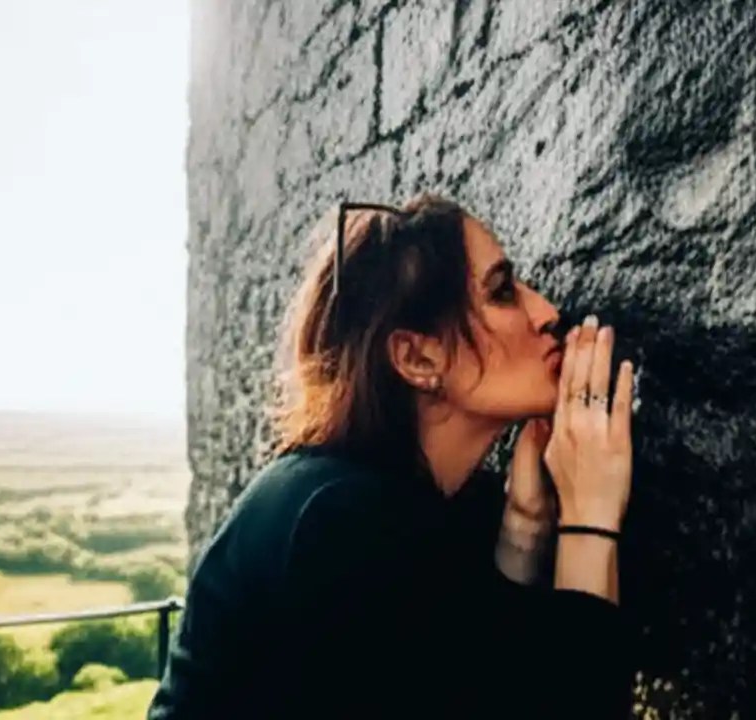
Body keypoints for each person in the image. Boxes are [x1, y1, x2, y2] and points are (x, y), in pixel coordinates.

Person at [147, 192, 638, 719]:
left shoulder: (404, 500)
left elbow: (479, 676)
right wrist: (591, 516)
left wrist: (524, 525)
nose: (545, 311)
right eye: (501, 292)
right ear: (416, 356)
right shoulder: (339, 526)